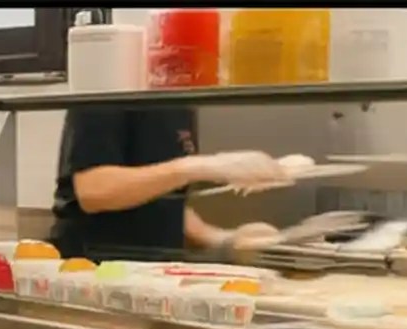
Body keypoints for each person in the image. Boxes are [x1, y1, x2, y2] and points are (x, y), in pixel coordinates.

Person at [49, 106, 290, 261]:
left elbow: (163, 198)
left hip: (155, 275)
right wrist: (197, 167)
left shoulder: (180, 102)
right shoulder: (110, 83)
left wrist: (223, 238)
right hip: (90, 272)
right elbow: (92, 190)